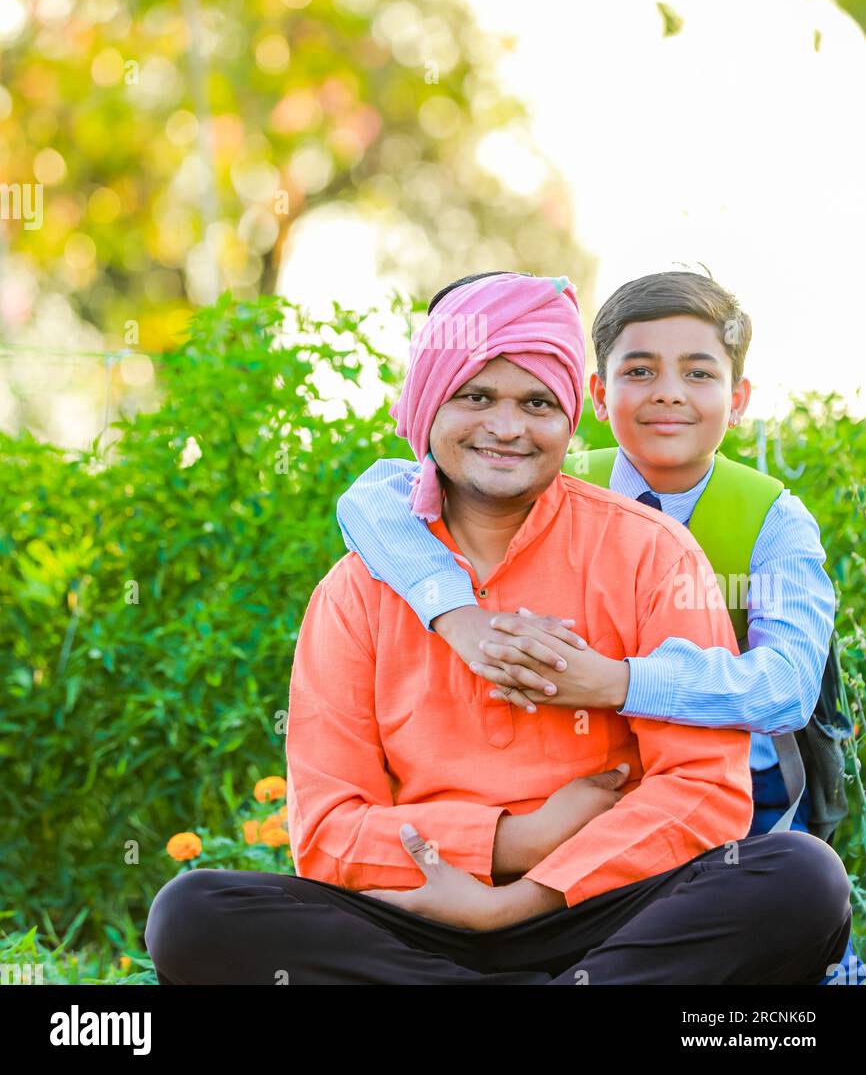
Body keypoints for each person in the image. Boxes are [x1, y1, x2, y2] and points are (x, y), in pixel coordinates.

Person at [144, 273, 851, 985]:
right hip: (421, 915)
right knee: (195, 914)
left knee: (799, 881)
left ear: (572, 417)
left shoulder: (649, 553)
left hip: (608, 904)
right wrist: (510, 843)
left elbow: (701, 790)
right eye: (476, 397)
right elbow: (328, 830)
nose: (508, 428)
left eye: (537, 403)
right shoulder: (359, 590)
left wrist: (523, 898)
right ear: (428, 406)